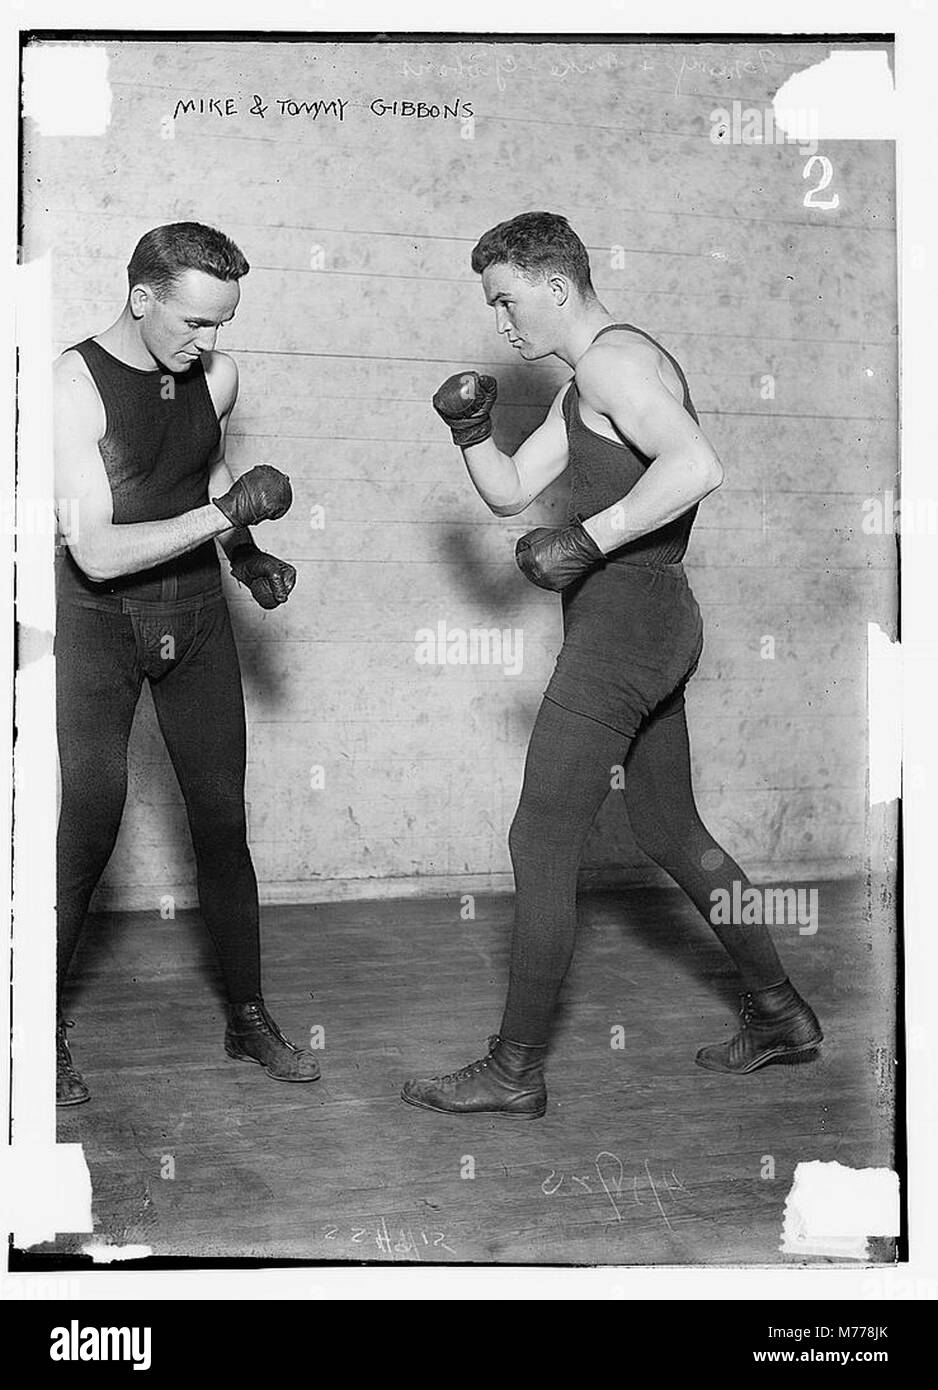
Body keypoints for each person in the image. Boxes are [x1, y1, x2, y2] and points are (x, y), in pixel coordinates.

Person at [402, 211, 822, 1119]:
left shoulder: (614, 364)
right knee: (671, 830)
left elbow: (698, 465)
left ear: (557, 288)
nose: (505, 327)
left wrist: (588, 540)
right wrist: (472, 432)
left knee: (539, 840)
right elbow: (514, 492)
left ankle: (514, 1069)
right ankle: (781, 1012)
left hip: (627, 629)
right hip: (647, 624)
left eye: (510, 303)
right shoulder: (580, 387)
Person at [53, 221, 321, 1105]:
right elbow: (94, 549)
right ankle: (35, 1027)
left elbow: (202, 475)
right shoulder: (73, 384)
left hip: (196, 618)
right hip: (97, 619)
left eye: (223, 324)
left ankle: (247, 1016)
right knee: (90, 822)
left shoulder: (217, 375)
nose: (210, 343)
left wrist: (242, 553)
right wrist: (228, 517)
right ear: (141, 298)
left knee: (220, 822)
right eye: (195, 323)